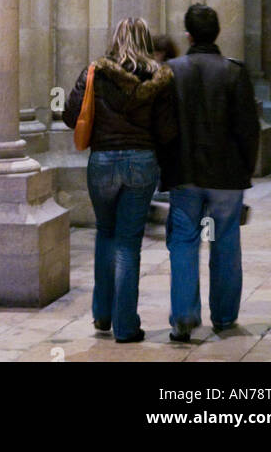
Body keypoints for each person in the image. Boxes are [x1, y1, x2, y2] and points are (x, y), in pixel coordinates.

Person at [63, 18, 178, 343]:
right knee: (128, 243)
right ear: (145, 42)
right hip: (141, 162)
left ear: (115, 39)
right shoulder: (159, 77)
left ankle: (102, 314)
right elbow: (168, 130)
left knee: (106, 233)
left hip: (102, 162)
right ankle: (126, 326)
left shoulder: (94, 72)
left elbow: (71, 115)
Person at [161, 3, 260, 341]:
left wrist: (165, 166)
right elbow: (248, 127)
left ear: (187, 34)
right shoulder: (235, 71)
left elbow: (164, 126)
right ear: (216, 33)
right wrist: (246, 168)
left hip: (185, 172)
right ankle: (224, 317)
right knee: (225, 242)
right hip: (227, 175)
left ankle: (185, 316)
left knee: (184, 242)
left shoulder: (171, 71)